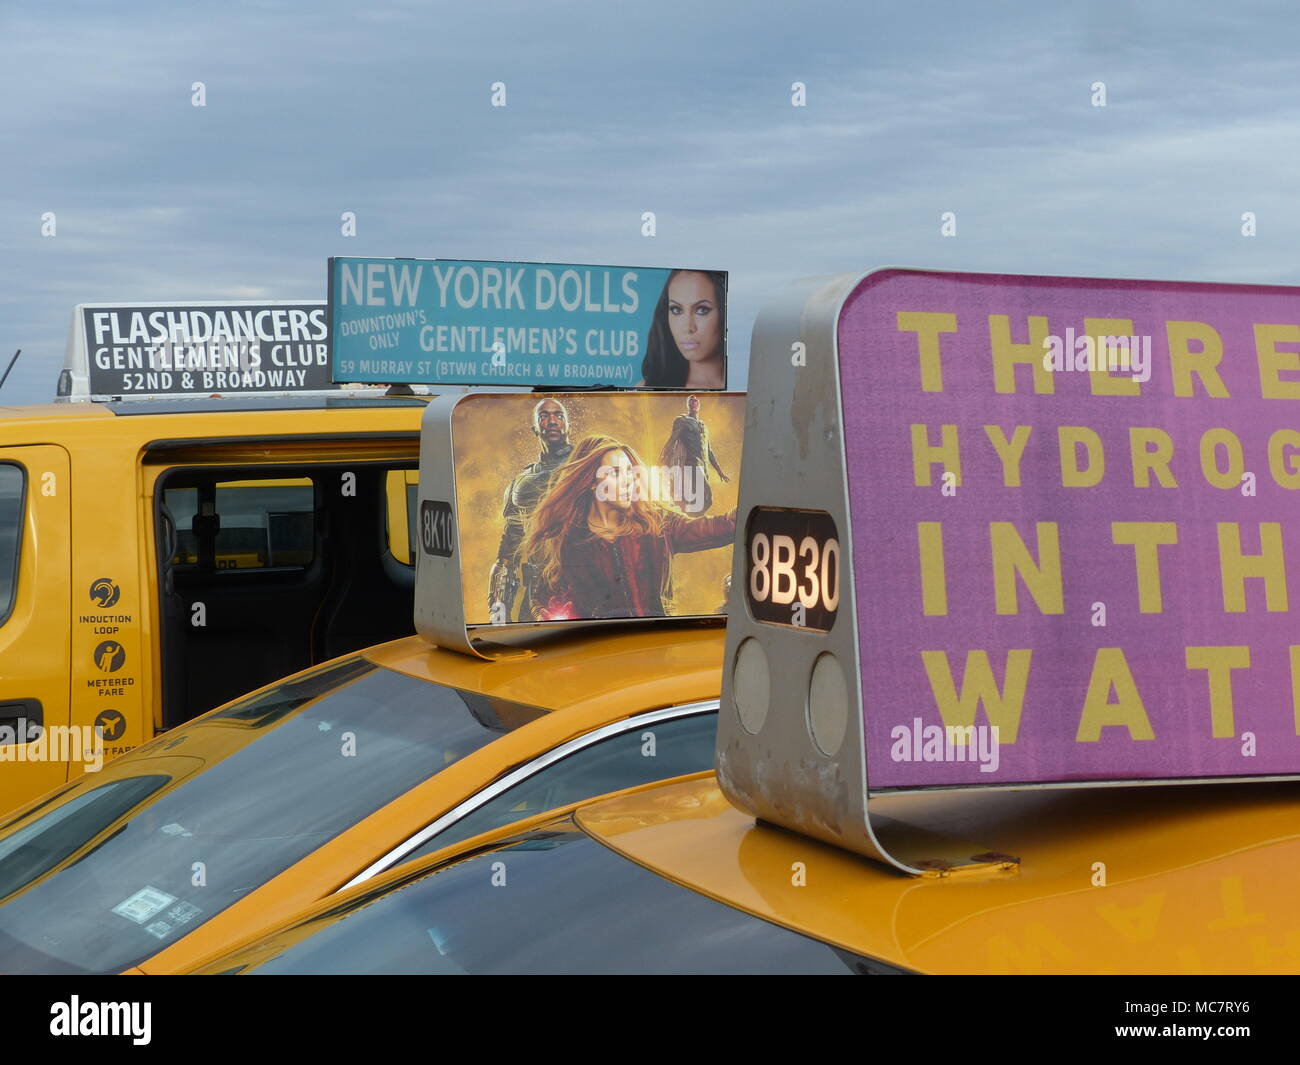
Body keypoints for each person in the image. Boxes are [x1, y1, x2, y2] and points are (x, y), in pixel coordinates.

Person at [521, 434, 736, 621]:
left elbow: (721, 527)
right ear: (592, 482)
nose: (627, 481)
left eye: (629, 472)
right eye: (615, 473)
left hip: (655, 647)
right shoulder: (565, 539)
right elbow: (540, 601)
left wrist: (758, 501)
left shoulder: (656, 524)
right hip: (596, 656)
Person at [487, 398, 572, 622]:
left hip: (582, 585)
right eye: (544, 416)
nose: (552, 421)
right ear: (535, 427)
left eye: (559, 415)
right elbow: (508, 552)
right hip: (538, 593)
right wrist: (499, 607)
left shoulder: (586, 466)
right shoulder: (522, 482)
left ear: (567, 424)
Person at [638, 270, 727, 389]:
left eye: (702, 310)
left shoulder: (747, 386)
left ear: (723, 312)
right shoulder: (647, 390)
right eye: (676, 310)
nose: (687, 328)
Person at [659, 394, 730, 514]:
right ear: (688, 405)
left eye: (696, 400)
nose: (693, 402)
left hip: (704, 467)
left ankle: (688, 520)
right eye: (690, 400)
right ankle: (689, 520)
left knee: (698, 500)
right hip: (691, 464)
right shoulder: (682, 421)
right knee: (706, 499)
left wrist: (720, 471)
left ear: (699, 405)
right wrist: (662, 460)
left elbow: (709, 450)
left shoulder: (703, 426)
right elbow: (672, 440)